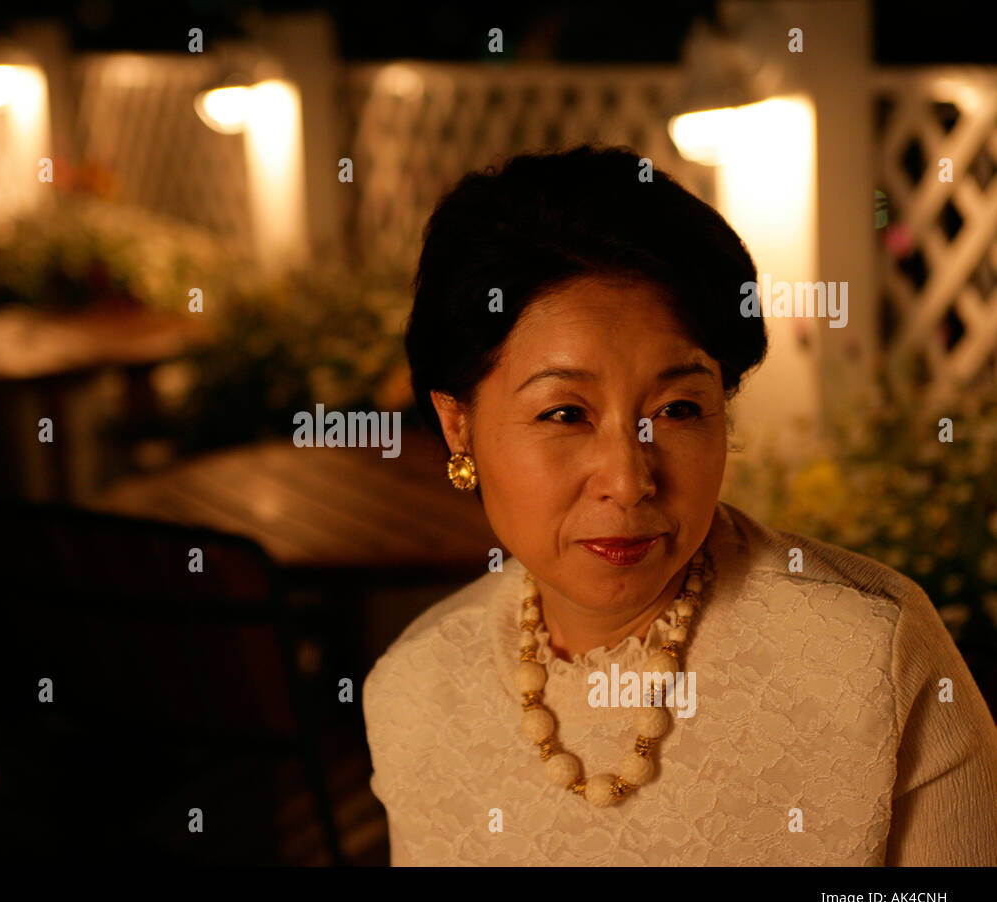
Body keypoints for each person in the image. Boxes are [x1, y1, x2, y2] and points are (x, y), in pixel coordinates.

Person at [362, 145, 997, 865]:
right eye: (565, 414)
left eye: (678, 408)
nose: (629, 480)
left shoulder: (870, 655)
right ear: (459, 425)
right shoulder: (416, 693)